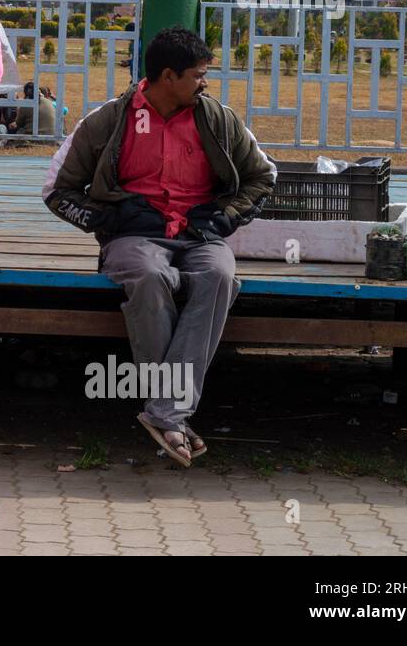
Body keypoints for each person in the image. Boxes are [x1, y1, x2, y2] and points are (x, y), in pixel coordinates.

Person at [41, 27, 276, 467]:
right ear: (169, 77)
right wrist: (108, 219)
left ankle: (165, 413)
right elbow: (57, 191)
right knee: (150, 277)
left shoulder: (217, 119)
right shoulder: (109, 120)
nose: (205, 83)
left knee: (220, 276)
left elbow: (264, 176)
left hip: (200, 235)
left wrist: (226, 216)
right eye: (199, 74)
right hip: (133, 238)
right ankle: (173, 416)